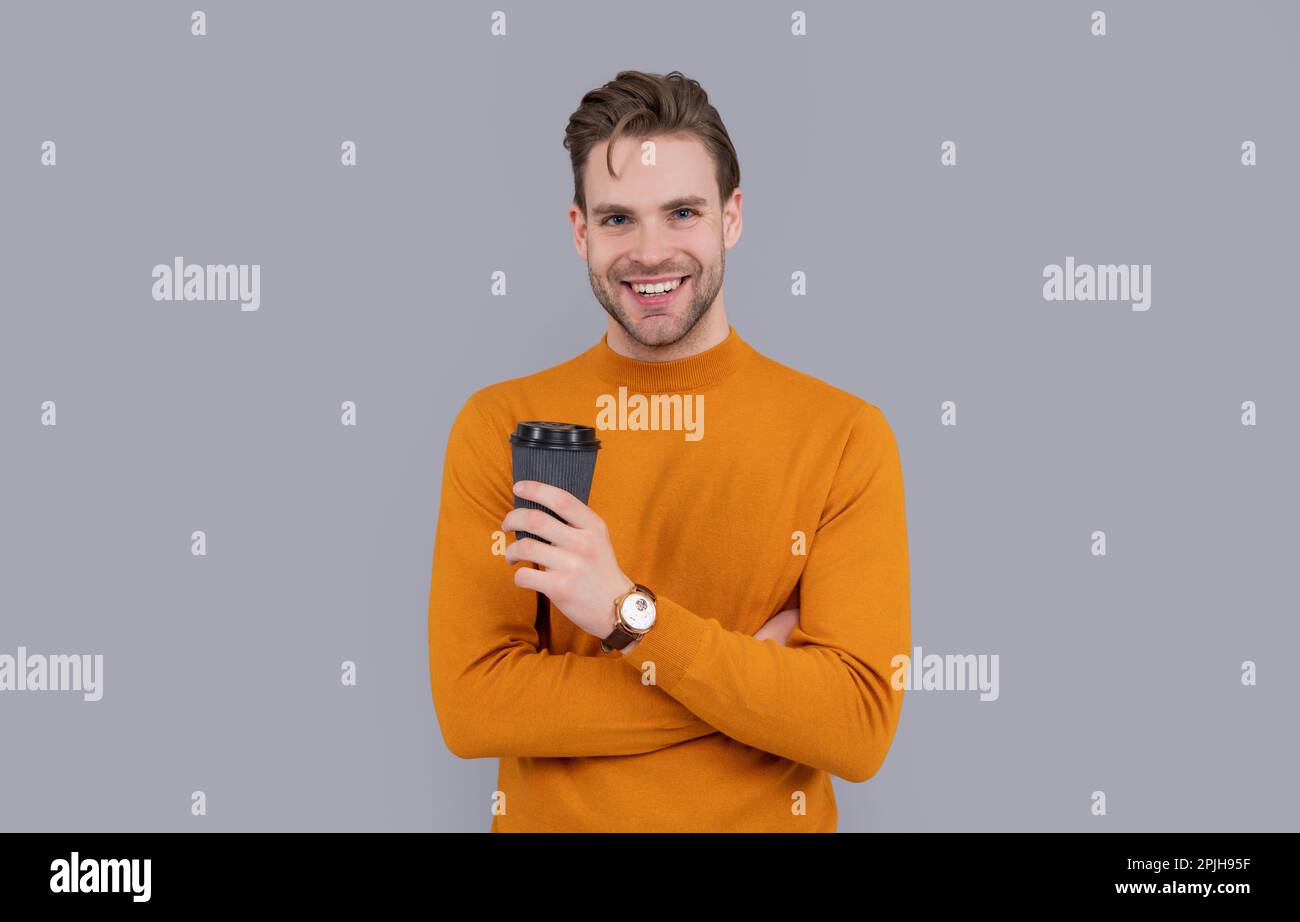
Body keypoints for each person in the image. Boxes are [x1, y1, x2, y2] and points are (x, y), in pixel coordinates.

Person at [428, 70, 910, 831]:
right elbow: (474, 707)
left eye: (682, 212)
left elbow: (854, 725)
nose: (651, 253)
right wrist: (749, 681)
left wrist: (628, 618)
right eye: (618, 219)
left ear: (732, 218)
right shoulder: (504, 424)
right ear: (581, 231)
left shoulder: (845, 436)